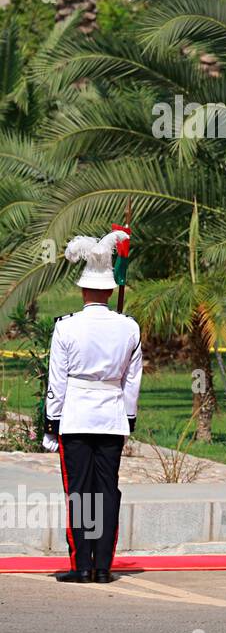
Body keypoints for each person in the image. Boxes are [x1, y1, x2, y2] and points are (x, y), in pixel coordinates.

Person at [42, 229, 141, 584]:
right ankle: (103, 567)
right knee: (107, 491)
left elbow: (58, 380)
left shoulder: (67, 327)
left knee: (80, 492)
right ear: (111, 290)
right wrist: (128, 416)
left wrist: (52, 421)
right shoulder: (128, 327)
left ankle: (82, 564)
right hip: (113, 418)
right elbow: (132, 380)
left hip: (77, 417)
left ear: (84, 290)